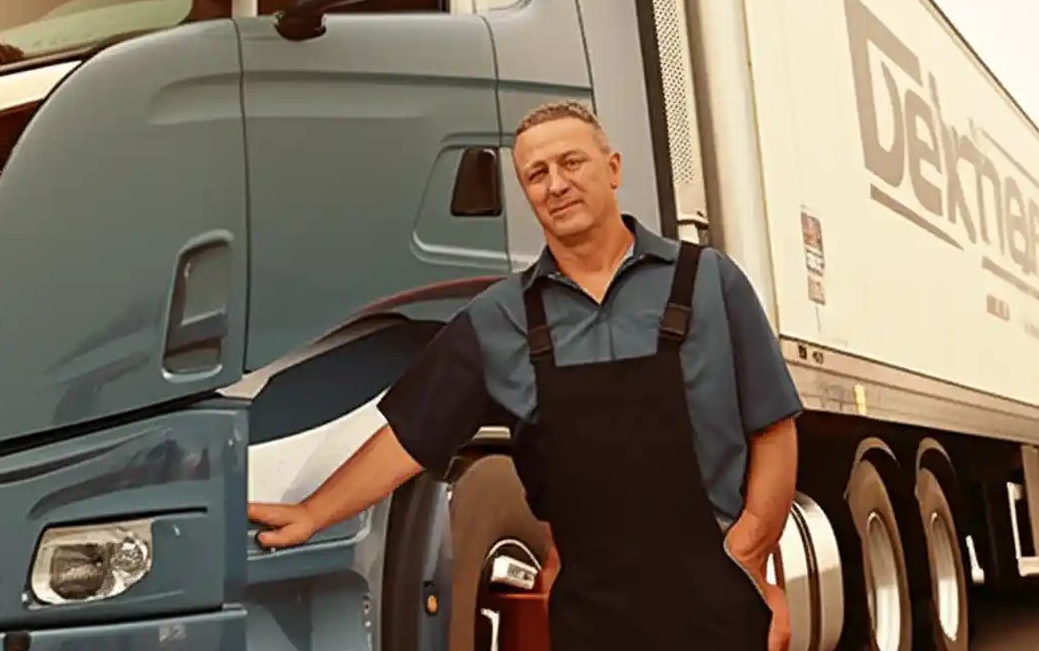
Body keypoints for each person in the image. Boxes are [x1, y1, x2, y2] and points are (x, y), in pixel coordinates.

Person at [248, 101, 800, 650]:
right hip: (594, 618)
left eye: (572, 163)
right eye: (537, 174)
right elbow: (410, 435)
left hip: (717, 609)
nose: (556, 185)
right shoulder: (501, 318)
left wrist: (748, 554)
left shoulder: (708, 282)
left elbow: (773, 427)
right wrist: (313, 512)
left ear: (613, 169)